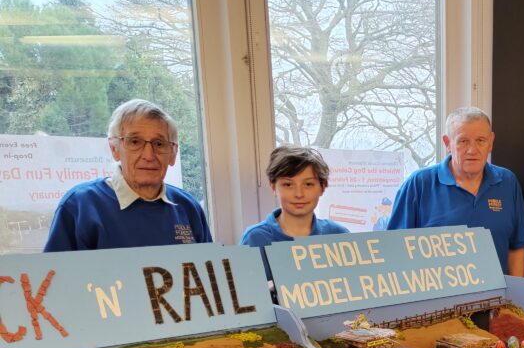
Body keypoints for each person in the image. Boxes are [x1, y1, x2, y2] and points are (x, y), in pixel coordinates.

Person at [44, 99, 212, 251]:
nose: (149, 155)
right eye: (135, 142)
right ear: (115, 149)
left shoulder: (189, 208)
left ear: (173, 153)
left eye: (159, 143)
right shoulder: (79, 206)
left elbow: (210, 278)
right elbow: (57, 280)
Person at [387, 107, 524, 275]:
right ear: (447, 143)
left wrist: (517, 296)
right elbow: (394, 254)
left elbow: (516, 248)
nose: (472, 150)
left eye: (480, 140)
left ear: (490, 142)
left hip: (494, 299)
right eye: (463, 141)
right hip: (435, 298)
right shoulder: (418, 185)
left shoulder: (507, 182)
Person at [240, 145, 349, 248]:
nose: (299, 194)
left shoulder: (339, 236)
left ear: (323, 187)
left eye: (308, 184)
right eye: (288, 185)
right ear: (273, 187)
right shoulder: (254, 238)